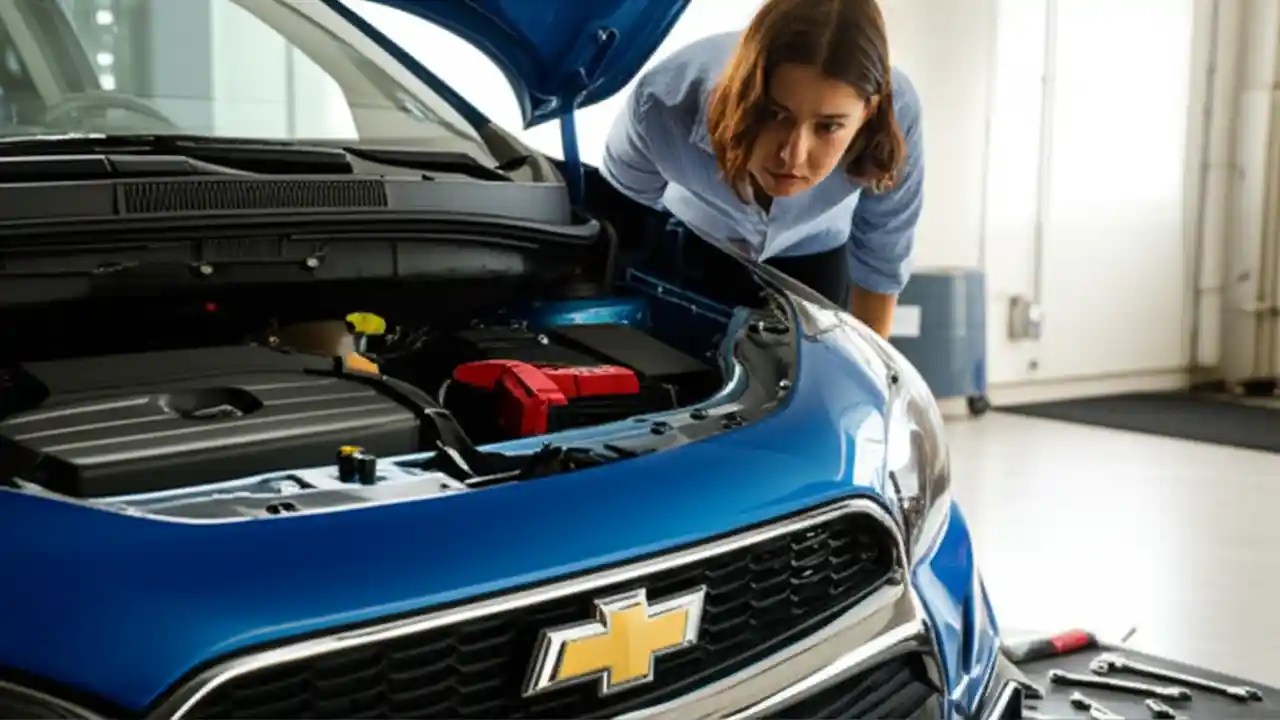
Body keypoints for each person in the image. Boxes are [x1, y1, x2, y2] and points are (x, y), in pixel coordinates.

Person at [600, 0, 923, 338]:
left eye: (828, 127)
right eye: (775, 114)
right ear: (744, 90)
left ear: (867, 113)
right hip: (693, 246)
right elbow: (618, 229)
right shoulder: (663, 101)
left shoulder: (898, 114)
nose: (792, 156)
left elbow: (880, 261)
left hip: (816, 257)